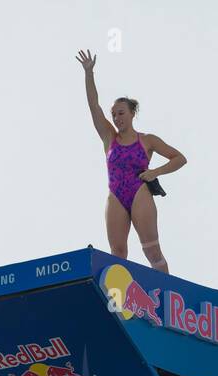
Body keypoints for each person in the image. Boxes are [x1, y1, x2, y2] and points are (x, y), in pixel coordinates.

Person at [76, 49, 187, 274]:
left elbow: (180, 159)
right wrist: (89, 73)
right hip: (116, 193)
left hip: (139, 192)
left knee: (152, 250)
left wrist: (155, 172)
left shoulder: (147, 140)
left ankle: (165, 292)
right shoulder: (109, 137)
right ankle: (120, 295)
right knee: (117, 252)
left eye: (121, 113)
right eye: (114, 114)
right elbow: (93, 105)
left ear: (131, 114)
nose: (116, 118)